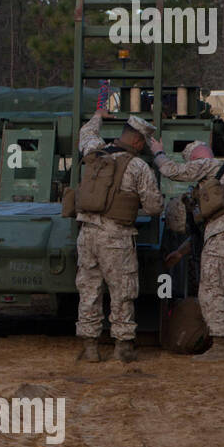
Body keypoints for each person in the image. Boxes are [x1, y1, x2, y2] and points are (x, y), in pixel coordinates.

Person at [149, 138, 224, 361]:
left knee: (212, 288)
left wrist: (158, 152)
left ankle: (219, 346)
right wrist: (180, 252)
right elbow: (208, 231)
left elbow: (171, 171)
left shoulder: (207, 164)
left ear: (195, 159)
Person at [73, 110, 164, 363]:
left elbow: (86, 133)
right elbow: (155, 206)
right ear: (137, 141)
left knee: (89, 290)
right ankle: (123, 347)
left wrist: (97, 115)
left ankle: (90, 347)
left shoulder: (94, 152)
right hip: (116, 237)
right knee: (122, 291)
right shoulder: (137, 166)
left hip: (86, 234)